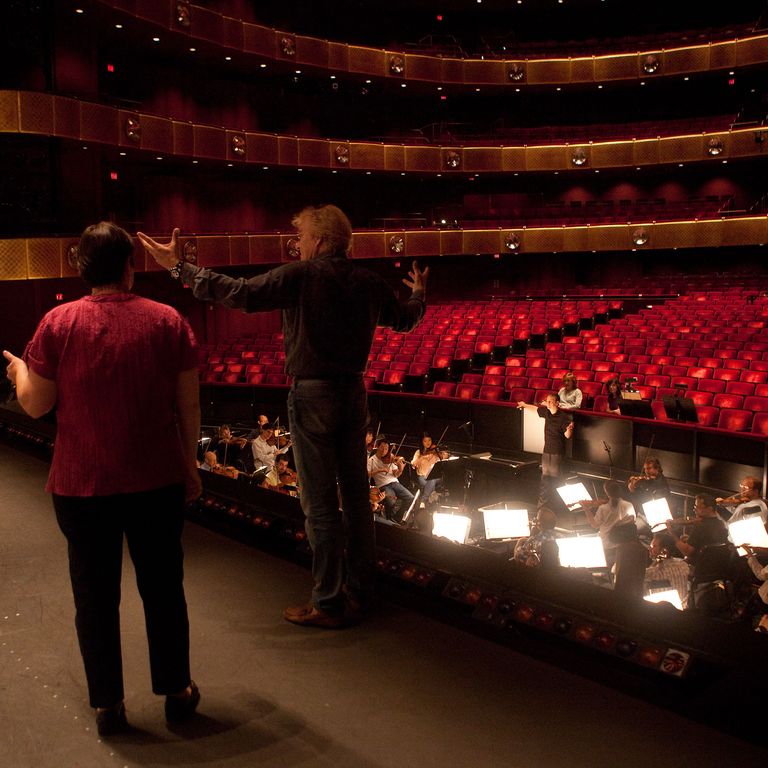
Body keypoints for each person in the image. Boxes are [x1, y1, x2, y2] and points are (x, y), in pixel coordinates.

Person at [138, 204, 427, 628]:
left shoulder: (300, 276)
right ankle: (361, 593)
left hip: (312, 395)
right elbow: (404, 320)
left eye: (303, 238)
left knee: (322, 505)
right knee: (358, 503)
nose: (299, 245)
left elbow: (240, 293)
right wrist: (419, 292)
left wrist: (180, 268)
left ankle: (328, 603)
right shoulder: (368, 283)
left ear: (322, 240)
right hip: (353, 395)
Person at [3, 222, 201, 736]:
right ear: (131, 266)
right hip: (157, 480)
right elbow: (188, 406)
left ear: (80, 268)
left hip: (82, 484)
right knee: (163, 588)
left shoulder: (57, 322)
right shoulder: (168, 321)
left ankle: (108, 705)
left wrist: (21, 372)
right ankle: (177, 692)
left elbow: (36, 403)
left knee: (94, 595)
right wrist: (190, 467)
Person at [517, 393, 574, 507]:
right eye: (546, 401)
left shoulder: (563, 417)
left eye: (550, 401)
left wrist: (569, 429)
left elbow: (567, 435)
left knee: (556, 480)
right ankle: (543, 506)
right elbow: (536, 409)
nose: (547, 403)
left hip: (557, 452)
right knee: (545, 480)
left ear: (557, 403)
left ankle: (559, 506)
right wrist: (524, 405)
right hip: (547, 451)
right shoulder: (547, 413)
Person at [665, 494, 729, 567]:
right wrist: (691, 539)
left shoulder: (700, 526)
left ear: (709, 509)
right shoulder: (721, 523)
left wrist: (672, 535)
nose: (694, 509)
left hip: (700, 568)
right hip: (717, 567)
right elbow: (708, 541)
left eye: (697, 507)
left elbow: (687, 551)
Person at [583, 480, 635, 570]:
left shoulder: (603, 508)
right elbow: (632, 521)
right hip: (624, 544)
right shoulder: (629, 505)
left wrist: (586, 509)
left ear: (606, 492)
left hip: (608, 546)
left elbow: (594, 525)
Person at [368, 437, 415, 522]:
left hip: (395, 483)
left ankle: (398, 518)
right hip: (383, 485)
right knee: (391, 501)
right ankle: (389, 519)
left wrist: (400, 469)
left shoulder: (390, 458)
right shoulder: (371, 460)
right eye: (382, 447)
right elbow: (367, 474)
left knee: (411, 498)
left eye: (386, 448)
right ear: (377, 447)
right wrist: (380, 470)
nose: (384, 450)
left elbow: (396, 474)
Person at [644, 531, 691, 608]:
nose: (650, 549)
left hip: (662, 611)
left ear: (664, 550)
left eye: (654, 546)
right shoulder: (683, 564)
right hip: (684, 609)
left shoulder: (652, 572)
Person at [411, 432, 449, 509]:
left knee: (433, 478)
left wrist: (438, 452)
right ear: (422, 442)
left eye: (429, 440)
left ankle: (423, 501)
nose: (428, 443)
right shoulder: (419, 452)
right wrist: (422, 456)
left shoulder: (435, 451)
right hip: (423, 477)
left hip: (436, 477)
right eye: (425, 441)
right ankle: (432, 494)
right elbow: (414, 464)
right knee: (431, 481)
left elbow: (446, 456)